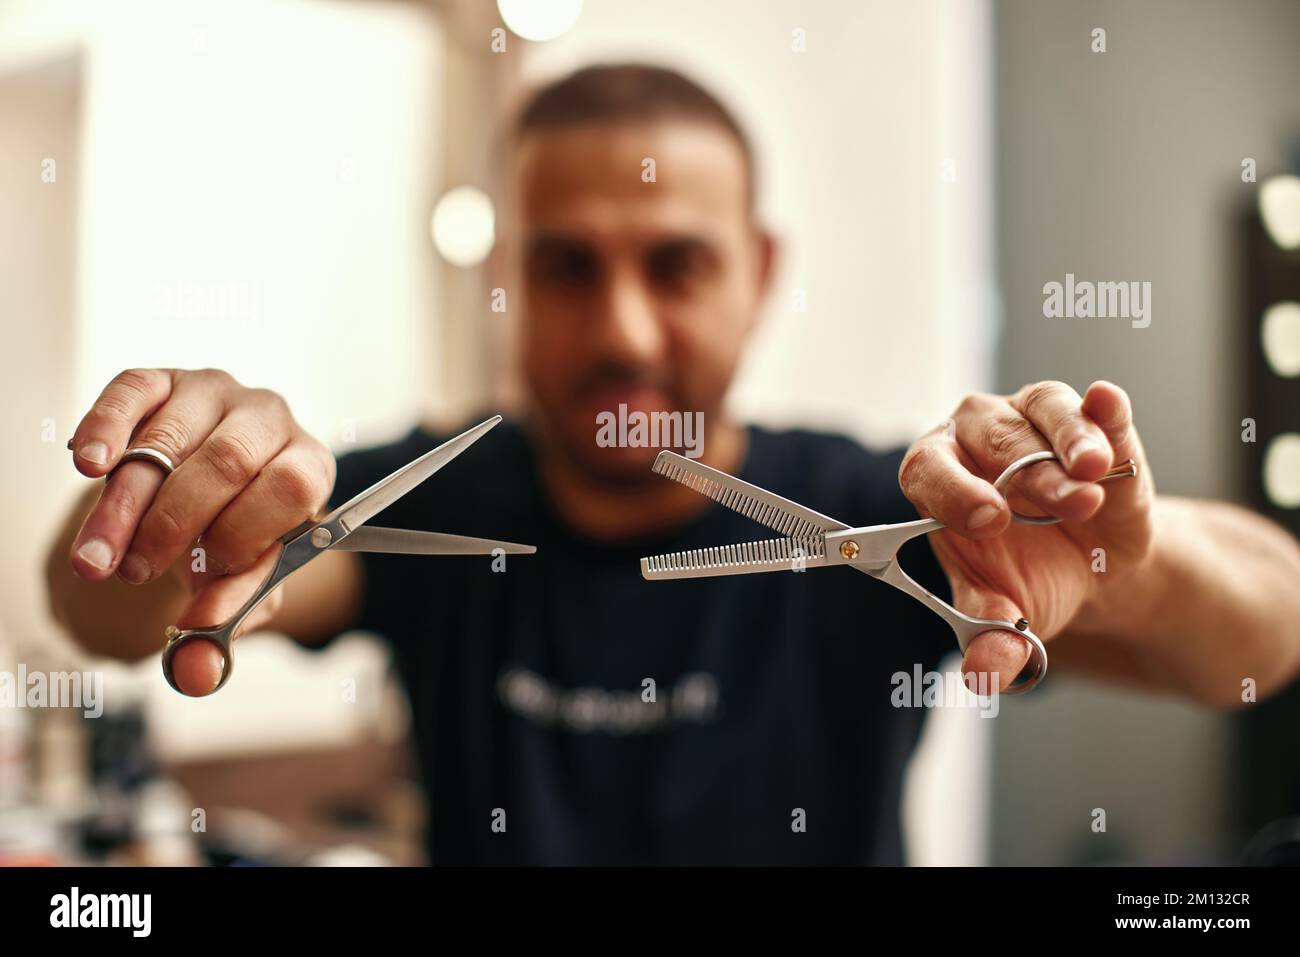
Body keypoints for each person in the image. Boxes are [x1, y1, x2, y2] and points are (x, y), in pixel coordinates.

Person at [46, 65, 1300, 865]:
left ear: (758, 274)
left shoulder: (889, 513)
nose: (626, 331)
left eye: (677, 265)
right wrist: (166, 519)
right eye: (568, 266)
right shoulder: (418, 497)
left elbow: (1269, 634)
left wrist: (1116, 560)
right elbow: (98, 615)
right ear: (507, 284)